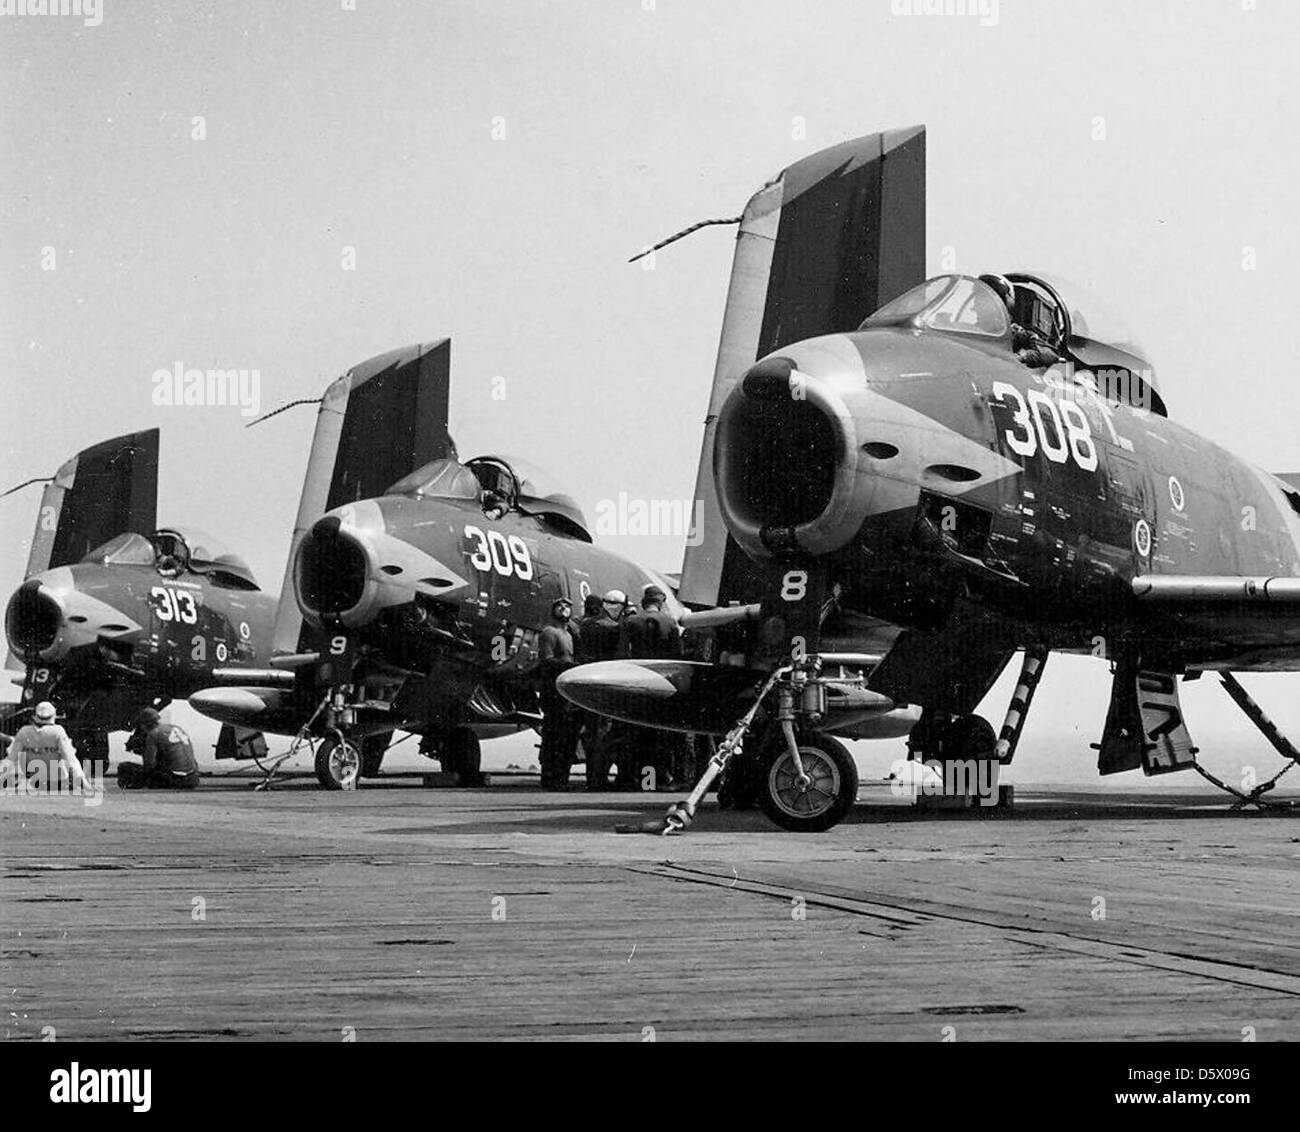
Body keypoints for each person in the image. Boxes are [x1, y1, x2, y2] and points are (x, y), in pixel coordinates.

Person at [619, 585, 693, 790]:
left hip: (638, 682)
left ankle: (646, 783)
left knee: (641, 738)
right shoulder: (669, 622)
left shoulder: (631, 621)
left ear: (644, 601)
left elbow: (622, 654)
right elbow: (677, 656)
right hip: (662, 682)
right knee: (662, 736)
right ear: (660, 602)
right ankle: (659, 780)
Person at [575, 592, 622, 790]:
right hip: (606, 682)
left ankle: (591, 779)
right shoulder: (614, 628)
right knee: (604, 733)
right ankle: (599, 779)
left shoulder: (583, 626)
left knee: (590, 733)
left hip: (587, 681)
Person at [536, 597, 580, 789]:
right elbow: (546, 660)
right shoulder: (549, 632)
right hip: (553, 691)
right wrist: (569, 665)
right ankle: (550, 778)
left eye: (567, 607)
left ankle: (562, 778)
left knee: (567, 738)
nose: (563, 609)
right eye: (559, 606)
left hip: (566, 692)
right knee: (554, 737)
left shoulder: (570, 634)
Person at [0, 701, 92, 792]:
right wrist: (85, 784)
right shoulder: (58, 731)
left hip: (33, 781)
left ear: (35, 716)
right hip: (58, 782)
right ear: (53, 716)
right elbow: (70, 759)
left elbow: (11, 759)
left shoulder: (24, 731)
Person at [979, 273, 1062, 369]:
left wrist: (1023, 356)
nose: (983, 307)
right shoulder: (970, 332)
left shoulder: (1015, 333)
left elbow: (1049, 355)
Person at [118, 708, 200, 790]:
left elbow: (149, 766)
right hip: (193, 779)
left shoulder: (153, 734)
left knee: (124, 767)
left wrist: (144, 751)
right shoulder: (176, 728)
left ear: (143, 725)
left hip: (175, 780)